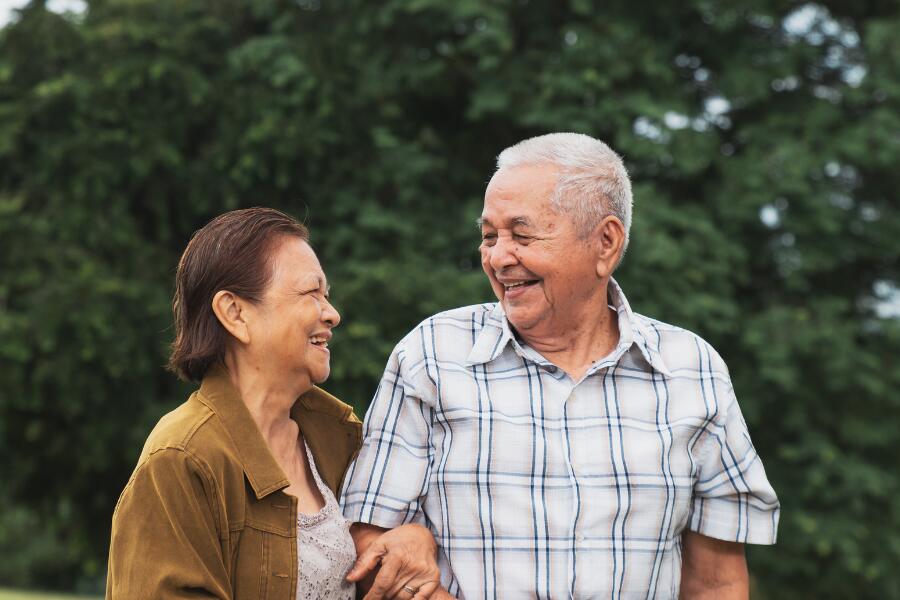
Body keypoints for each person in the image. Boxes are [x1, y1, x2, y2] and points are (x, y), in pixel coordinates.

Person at [342, 133, 780, 598]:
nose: (497, 257)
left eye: (522, 234)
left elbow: (715, 582)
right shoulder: (432, 356)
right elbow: (368, 542)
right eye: (489, 236)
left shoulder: (693, 370)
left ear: (605, 242)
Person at [106, 208, 441, 599]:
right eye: (310, 293)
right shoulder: (182, 459)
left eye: (327, 296)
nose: (331, 314)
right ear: (235, 313)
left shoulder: (340, 438)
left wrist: (414, 538)